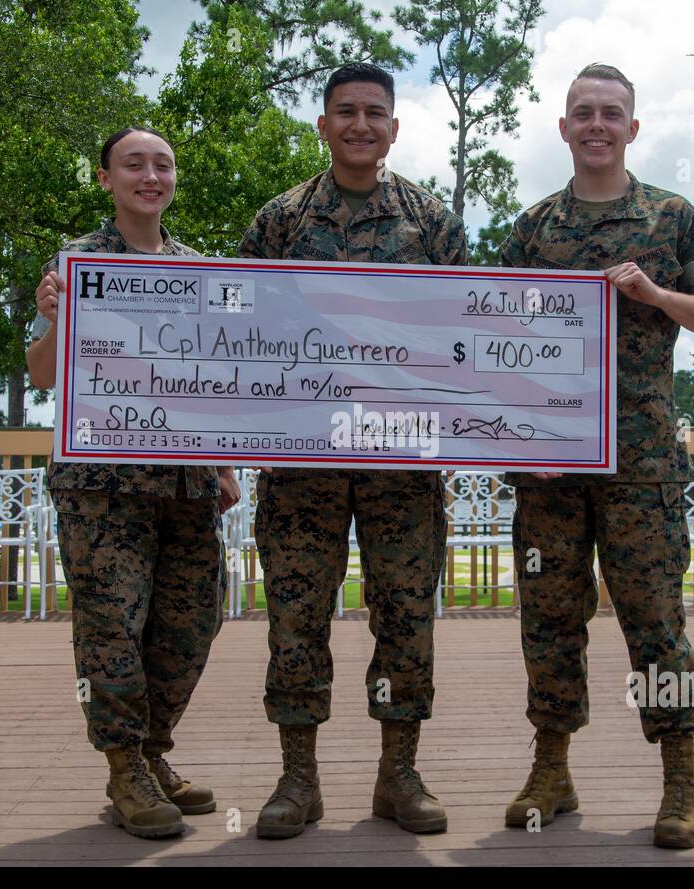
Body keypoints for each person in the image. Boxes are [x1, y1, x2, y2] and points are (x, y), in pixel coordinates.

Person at [499, 64, 694, 848]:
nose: (596, 125)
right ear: (563, 128)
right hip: (549, 467)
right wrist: (509, 443)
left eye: (611, 114)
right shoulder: (532, 231)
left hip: (641, 466)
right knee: (549, 618)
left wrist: (658, 297)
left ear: (632, 128)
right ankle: (552, 769)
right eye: (582, 114)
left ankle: (680, 779)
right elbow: (491, 344)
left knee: (655, 620)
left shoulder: (672, 220)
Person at [236, 63, 468, 839]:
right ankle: (298, 780)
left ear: (394, 128)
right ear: (324, 125)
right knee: (297, 615)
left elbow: (469, 337)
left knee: (405, 614)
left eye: (375, 113)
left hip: (402, 461)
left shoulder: (432, 223)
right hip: (303, 461)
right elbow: (233, 328)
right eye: (346, 112)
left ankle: (397, 774)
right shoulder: (279, 222)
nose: (360, 124)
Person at [28, 127, 240, 839]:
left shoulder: (198, 269)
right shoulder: (77, 265)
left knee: (191, 623)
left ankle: (154, 755)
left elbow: (214, 377)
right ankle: (124, 769)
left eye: (163, 164)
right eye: (134, 164)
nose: (150, 175)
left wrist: (222, 459)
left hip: (186, 484)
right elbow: (43, 374)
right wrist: (56, 318)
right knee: (112, 627)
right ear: (105, 178)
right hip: (102, 486)